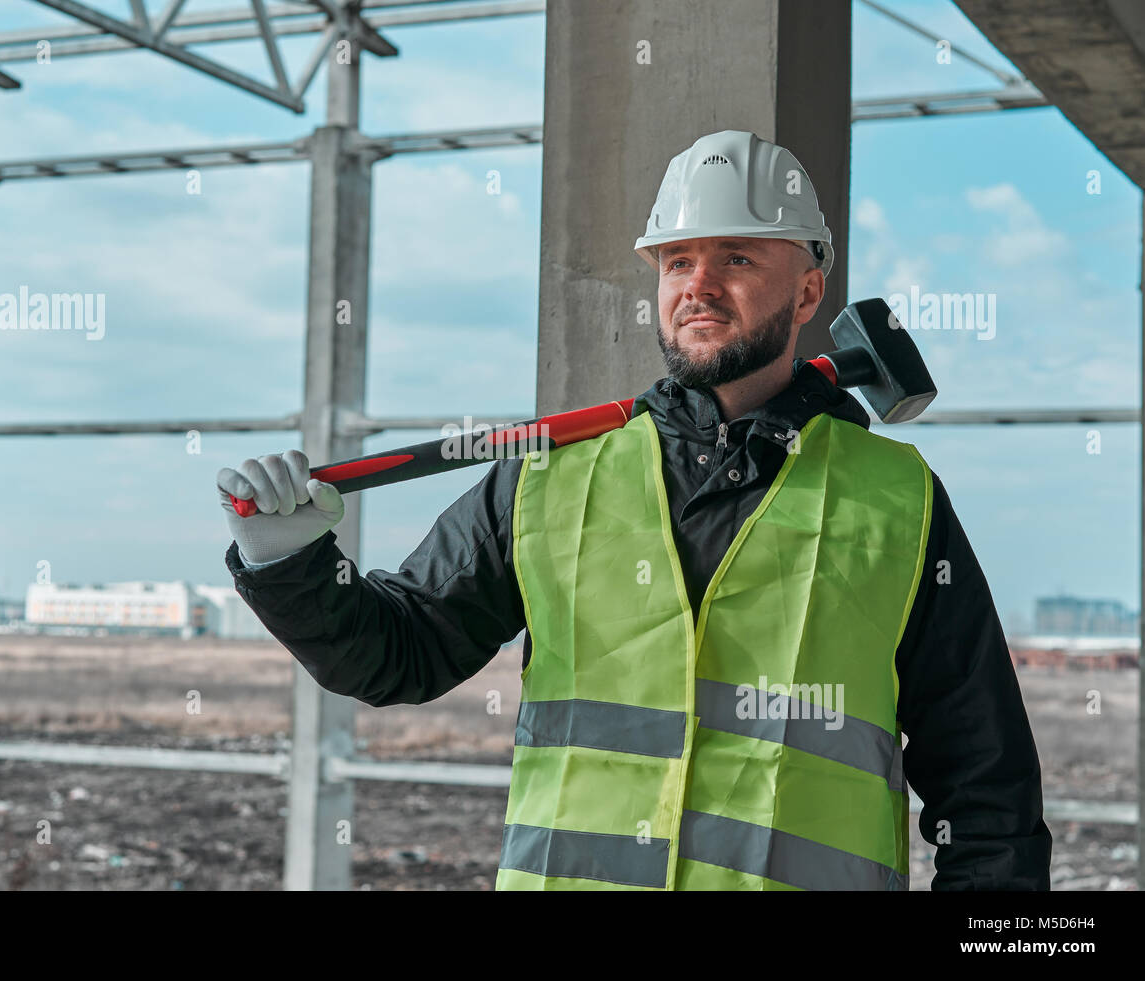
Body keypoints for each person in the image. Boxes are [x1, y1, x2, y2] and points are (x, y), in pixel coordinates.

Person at [216, 130, 1052, 891]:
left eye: (735, 258)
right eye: (677, 260)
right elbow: (399, 655)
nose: (699, 286)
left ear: (805, 295)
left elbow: (987, 792)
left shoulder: (894, 500)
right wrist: (288, 564)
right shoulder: (549, 480)